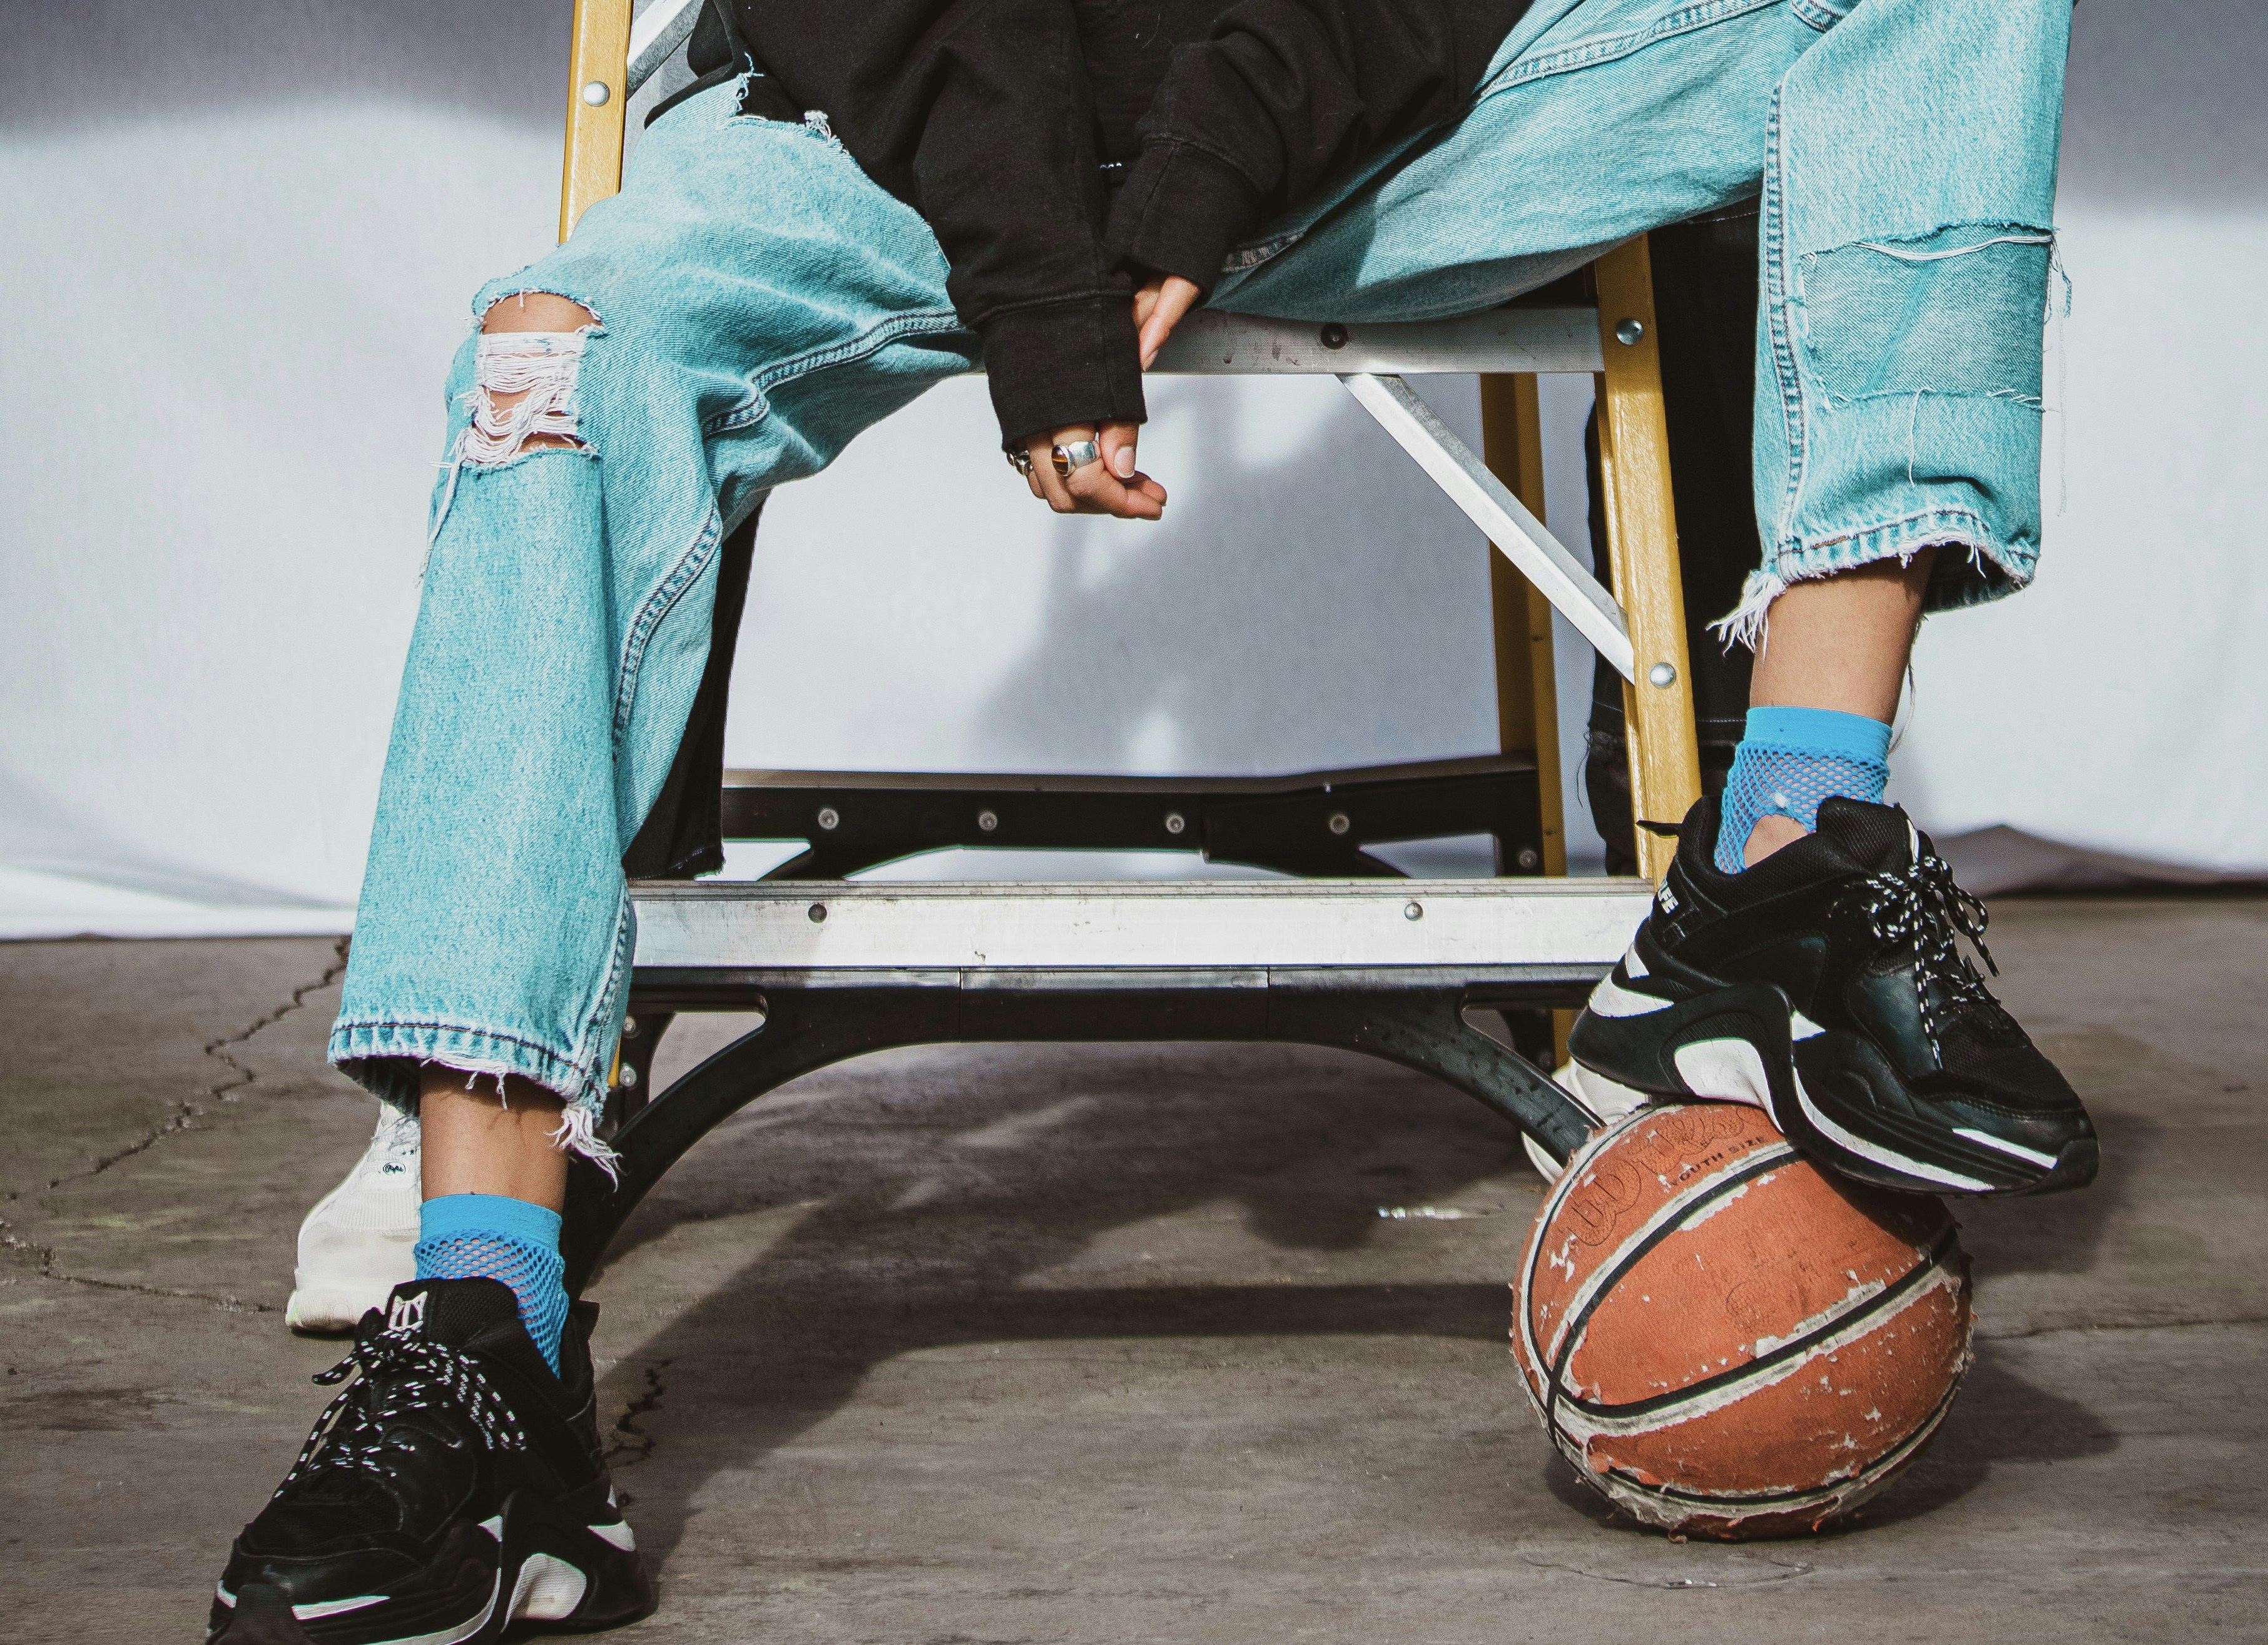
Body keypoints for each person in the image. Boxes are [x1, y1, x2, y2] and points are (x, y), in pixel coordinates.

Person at [209, 0, 2092, 1637]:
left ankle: (1788, 851)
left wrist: (1199, 166)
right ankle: (481, 1325)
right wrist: (1043, 274)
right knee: (550, 361)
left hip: (1363, 134)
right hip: (881, 141)